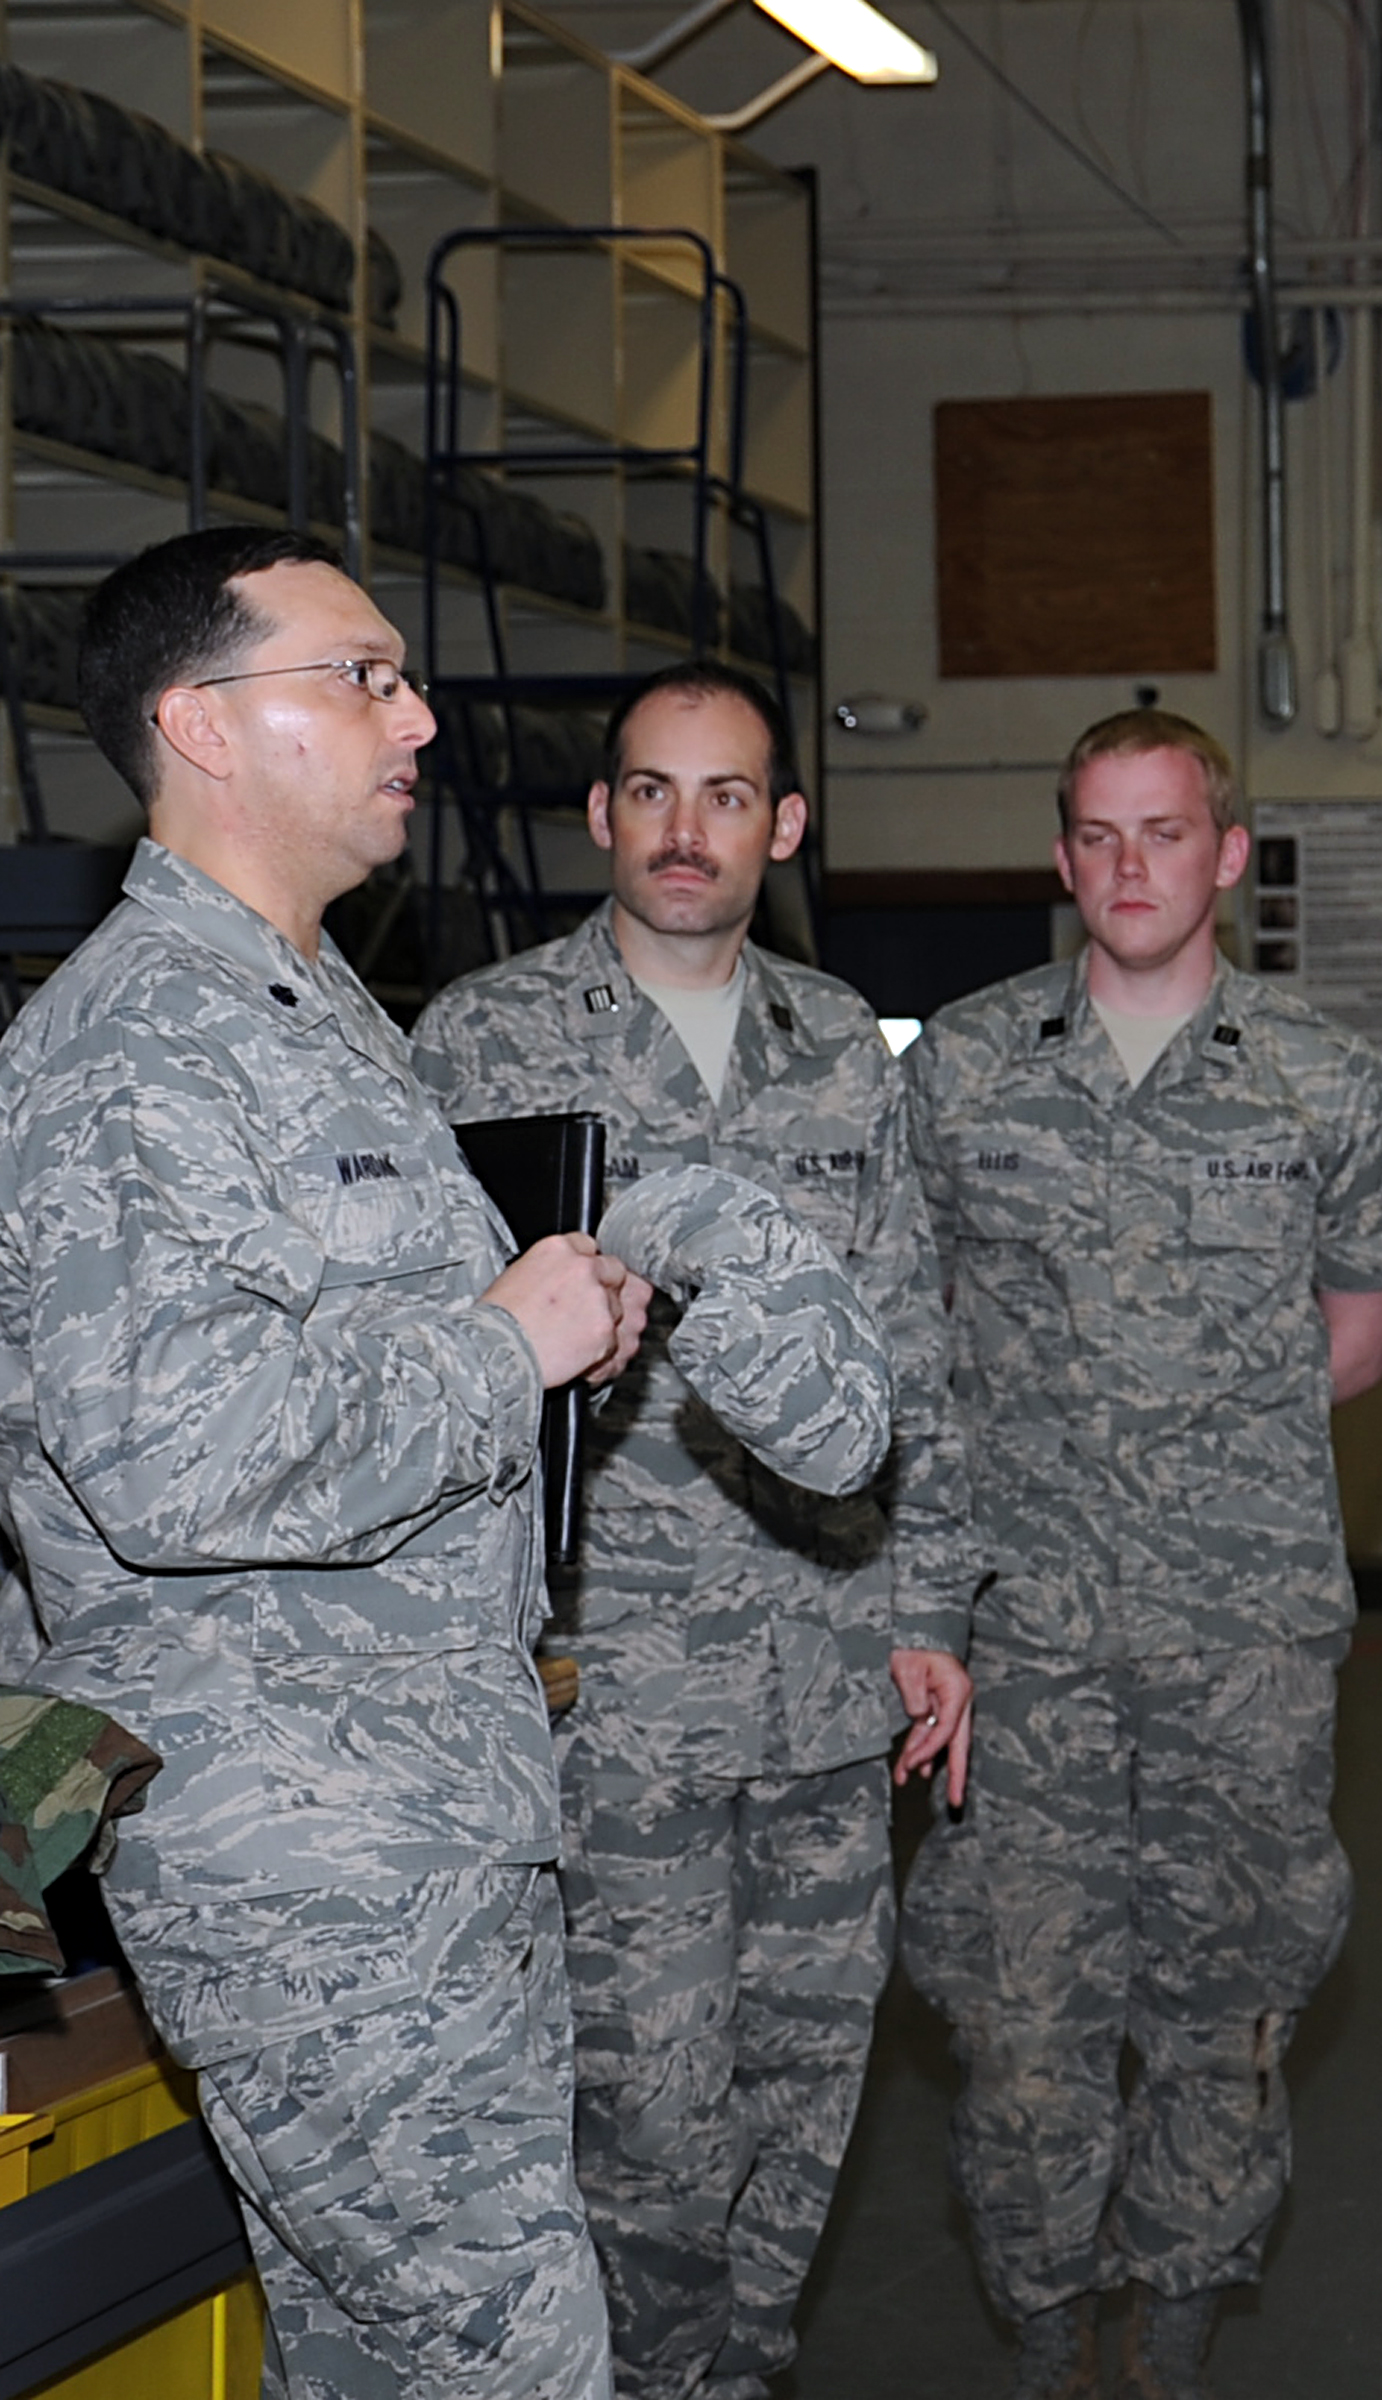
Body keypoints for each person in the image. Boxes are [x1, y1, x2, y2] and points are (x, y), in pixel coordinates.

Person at [0, 527, 650, 2397]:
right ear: (200, 724)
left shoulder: (314, 1011)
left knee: (371, 2368)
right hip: (307, 1865)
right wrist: (498, 1344)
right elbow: (173, 1467)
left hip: (412, 1827)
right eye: (359, 677)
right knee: (512, 2366)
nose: (418, 717)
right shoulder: (138, 1049)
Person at [410, 660, 975, 2400]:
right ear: (599, 815)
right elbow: (430, 1360)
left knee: (800, 2106)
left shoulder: (845, 1051)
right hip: (609, 1682)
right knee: (646, 2123)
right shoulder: (484, 1044)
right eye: (651, 791)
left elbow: (915, 1346)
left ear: (783, 825)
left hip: (826, 1677)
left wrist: (934, 1602)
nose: (685, 829)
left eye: (727, 795)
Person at [898, 709, 1382, 2400]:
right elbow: (920, 1344)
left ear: (1229, 855)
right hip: (1024, 1642)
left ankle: (1176, 2351)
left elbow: (1357, 1345)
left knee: (1226, 2015)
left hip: (1244, 1637)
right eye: (1101, 837)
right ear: (1065, 860)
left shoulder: (1324, 1081)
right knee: (1022, 2031)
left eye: (1167, 833)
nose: (1134, 867)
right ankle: (1058, 2350)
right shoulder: (963, 1072)